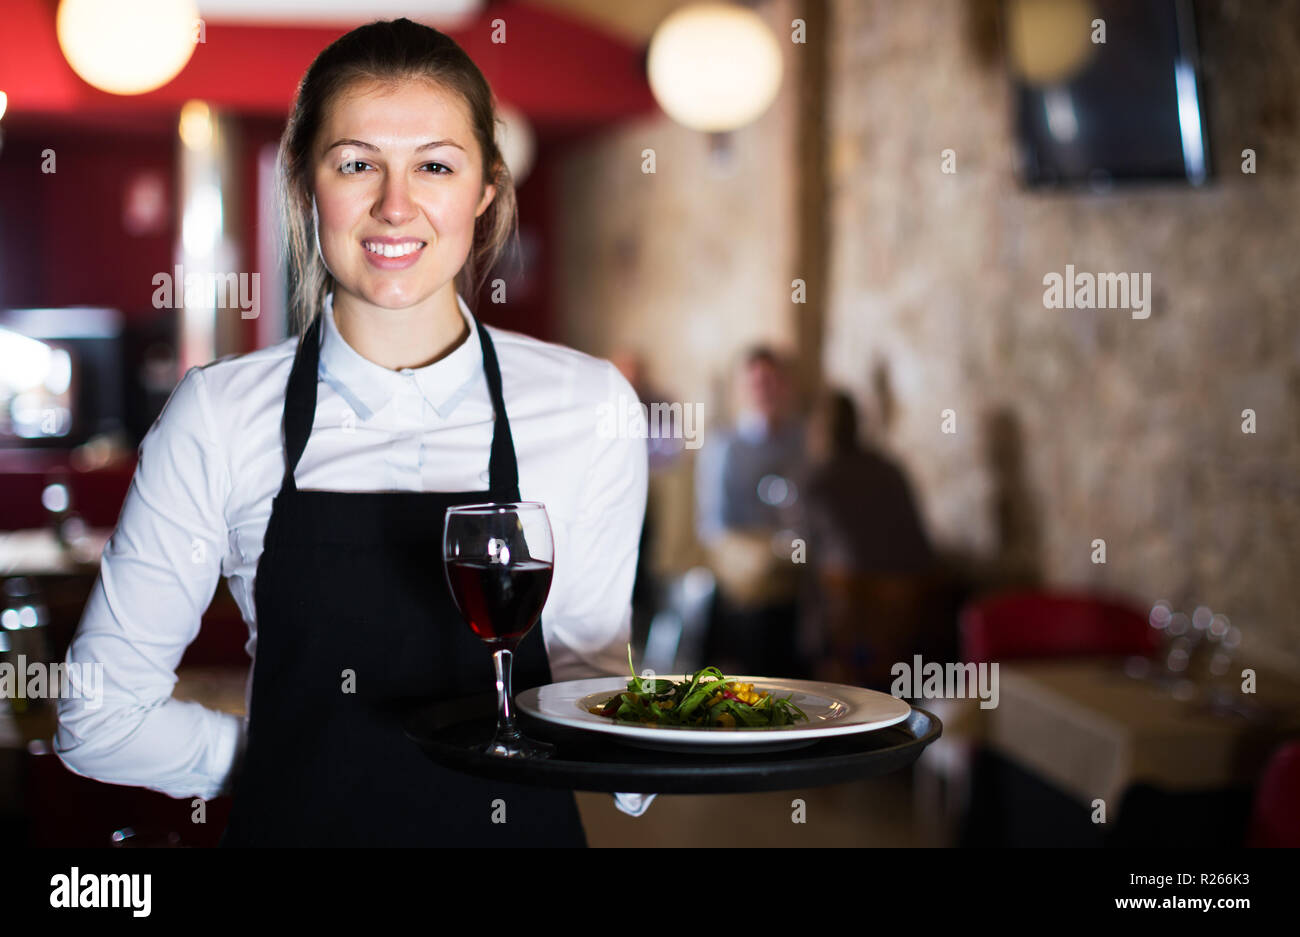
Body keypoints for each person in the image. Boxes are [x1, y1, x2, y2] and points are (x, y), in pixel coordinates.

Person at [53, 19, 648, 846]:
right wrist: (287, 757)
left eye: (434, 165)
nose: (395, 204)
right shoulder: (219, 415)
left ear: (483, 191)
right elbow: (100, 715)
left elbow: (587, 673)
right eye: (357, 163)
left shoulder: (590, 407)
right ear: (305, 182)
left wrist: (668, 744)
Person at [793, 389, 936, 685]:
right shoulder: (890, 470)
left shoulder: (817, 480)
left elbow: (802, 553)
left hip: (850, 629)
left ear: (818, 429)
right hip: (906, 632)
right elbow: (921, 547)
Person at [694, 346, 806, 676]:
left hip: (792, 567)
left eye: (771, 381)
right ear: (742, 389)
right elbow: (713, 524)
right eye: (756, 382)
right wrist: (760, 553)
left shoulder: (799, 442)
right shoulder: (724, 446)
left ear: (783, 385)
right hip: (744, 567)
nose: (764, 390)